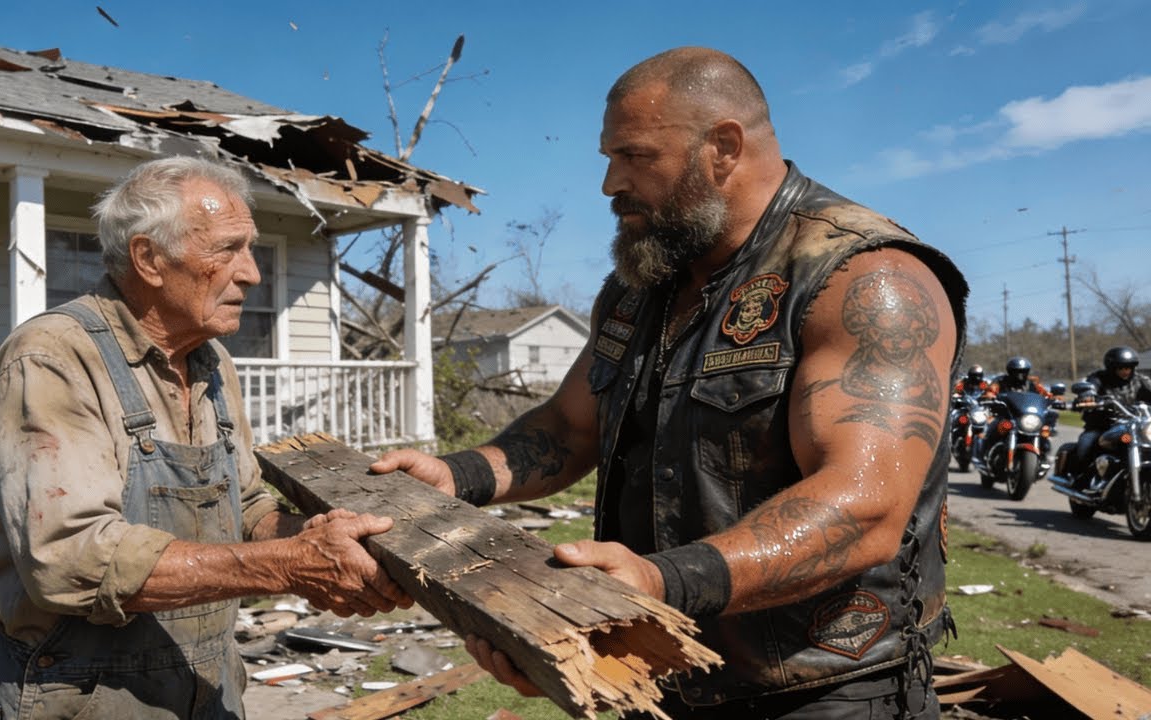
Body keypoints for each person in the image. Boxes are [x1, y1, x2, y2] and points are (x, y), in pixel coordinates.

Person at [373, 47, 967, 719]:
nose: (608, 184)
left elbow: (865, 504)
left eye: (634, 156)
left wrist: (660, 582)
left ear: (723, 147)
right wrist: (456, 476)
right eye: (608, 157)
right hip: (660, 671)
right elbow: (571, 426)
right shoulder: (640, 288)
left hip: (821, 690)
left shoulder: (865, 278)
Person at [0, 156, 411, 718]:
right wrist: (288, 564)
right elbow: (70, 557)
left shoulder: (210, 359)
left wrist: (327, 542)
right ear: (150, 258)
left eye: (249, 249)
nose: (251, 272)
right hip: (79, 692)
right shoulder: (53, 357)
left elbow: (245, 506)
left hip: (205, 678)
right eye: (227, 249)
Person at [1070, 346, 1151, 481]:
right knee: (1085, 446)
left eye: (1128, 368)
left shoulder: (1140, 380)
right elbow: (1090, 387)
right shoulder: (1099, 378)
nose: (1125, 371)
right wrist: (1087, 396)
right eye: (1121, 368)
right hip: (1102, 427)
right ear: (1112, 368)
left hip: (1132, 428)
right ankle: (1079, 482)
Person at [981, 356, 1051, 399]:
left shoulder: (1033, 382)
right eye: (1016, 371)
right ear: (1010, 371)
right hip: (1006, 413)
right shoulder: (1000, 381)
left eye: (1023, 371)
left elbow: (1045, 393)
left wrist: (1054, 399)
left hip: (1028, 413)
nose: (1020, 375)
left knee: (1048, 421)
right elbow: (990, 391)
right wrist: (990, 396)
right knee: (993, 422)